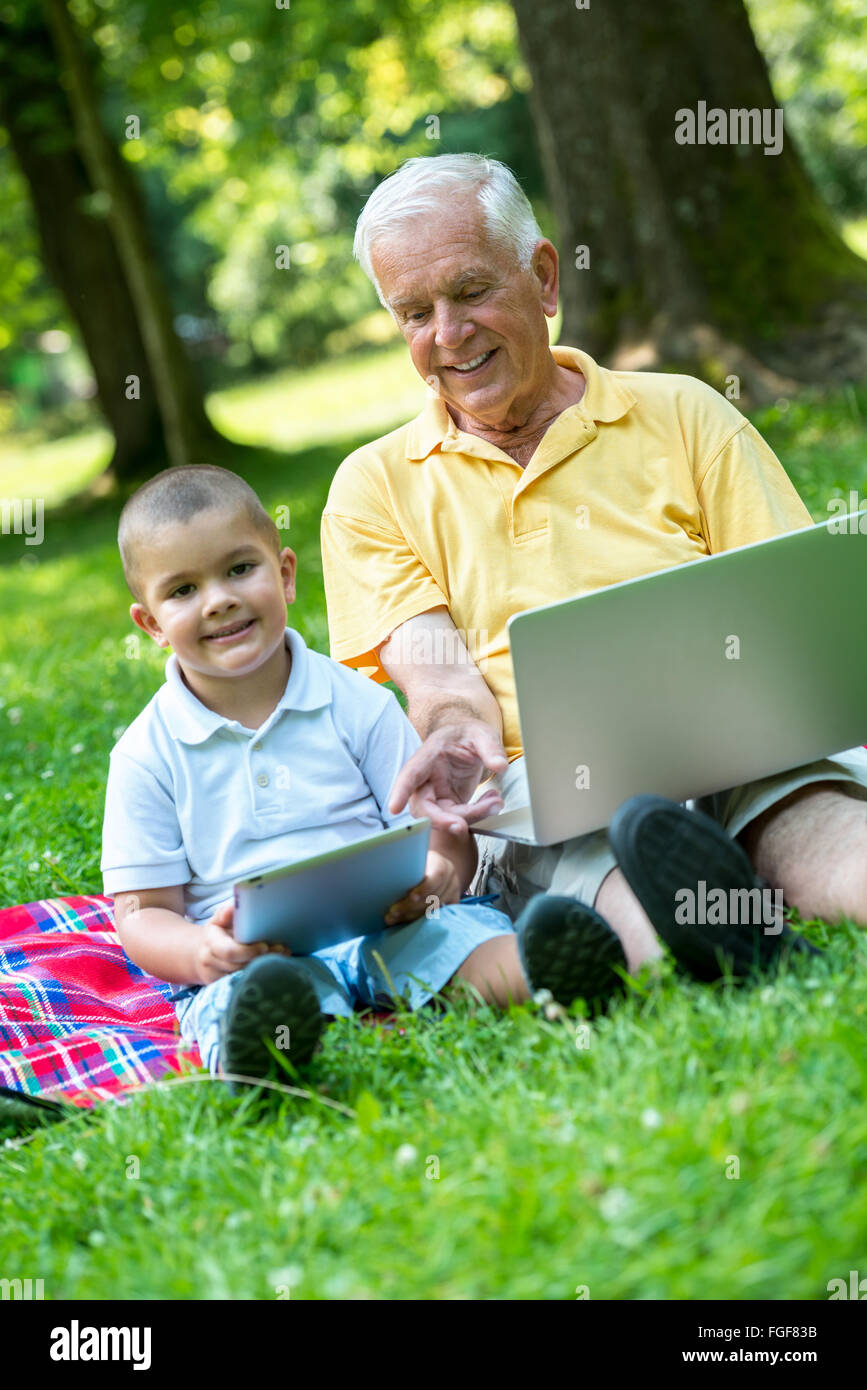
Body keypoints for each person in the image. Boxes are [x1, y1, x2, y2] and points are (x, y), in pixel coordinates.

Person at [320, 153, 867, 990]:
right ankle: (728, 942)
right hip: (552, 793)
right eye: (413, 313)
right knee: (627, 902)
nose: (448, 334)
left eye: (469, 293)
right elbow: (434, 672)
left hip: (743, 741)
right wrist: (454, 731)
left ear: (542, 277)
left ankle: (750, 890)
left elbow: (791, 614)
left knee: (832, 841)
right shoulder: (373, 487)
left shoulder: (683, 412)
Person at [100, 465, 625, 1089]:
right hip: (254, 955)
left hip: (385, 918)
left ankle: (549, 969)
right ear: (151, 623)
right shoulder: (146, 755)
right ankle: (270, 1043)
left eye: (240, 569)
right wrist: (200, 954)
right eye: (183, 590)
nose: (219, 599)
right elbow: (142, 914)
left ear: (286, 574)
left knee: (457, 940)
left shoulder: (356, 702)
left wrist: (435, 880)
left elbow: (434, 829)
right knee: (245, 997)